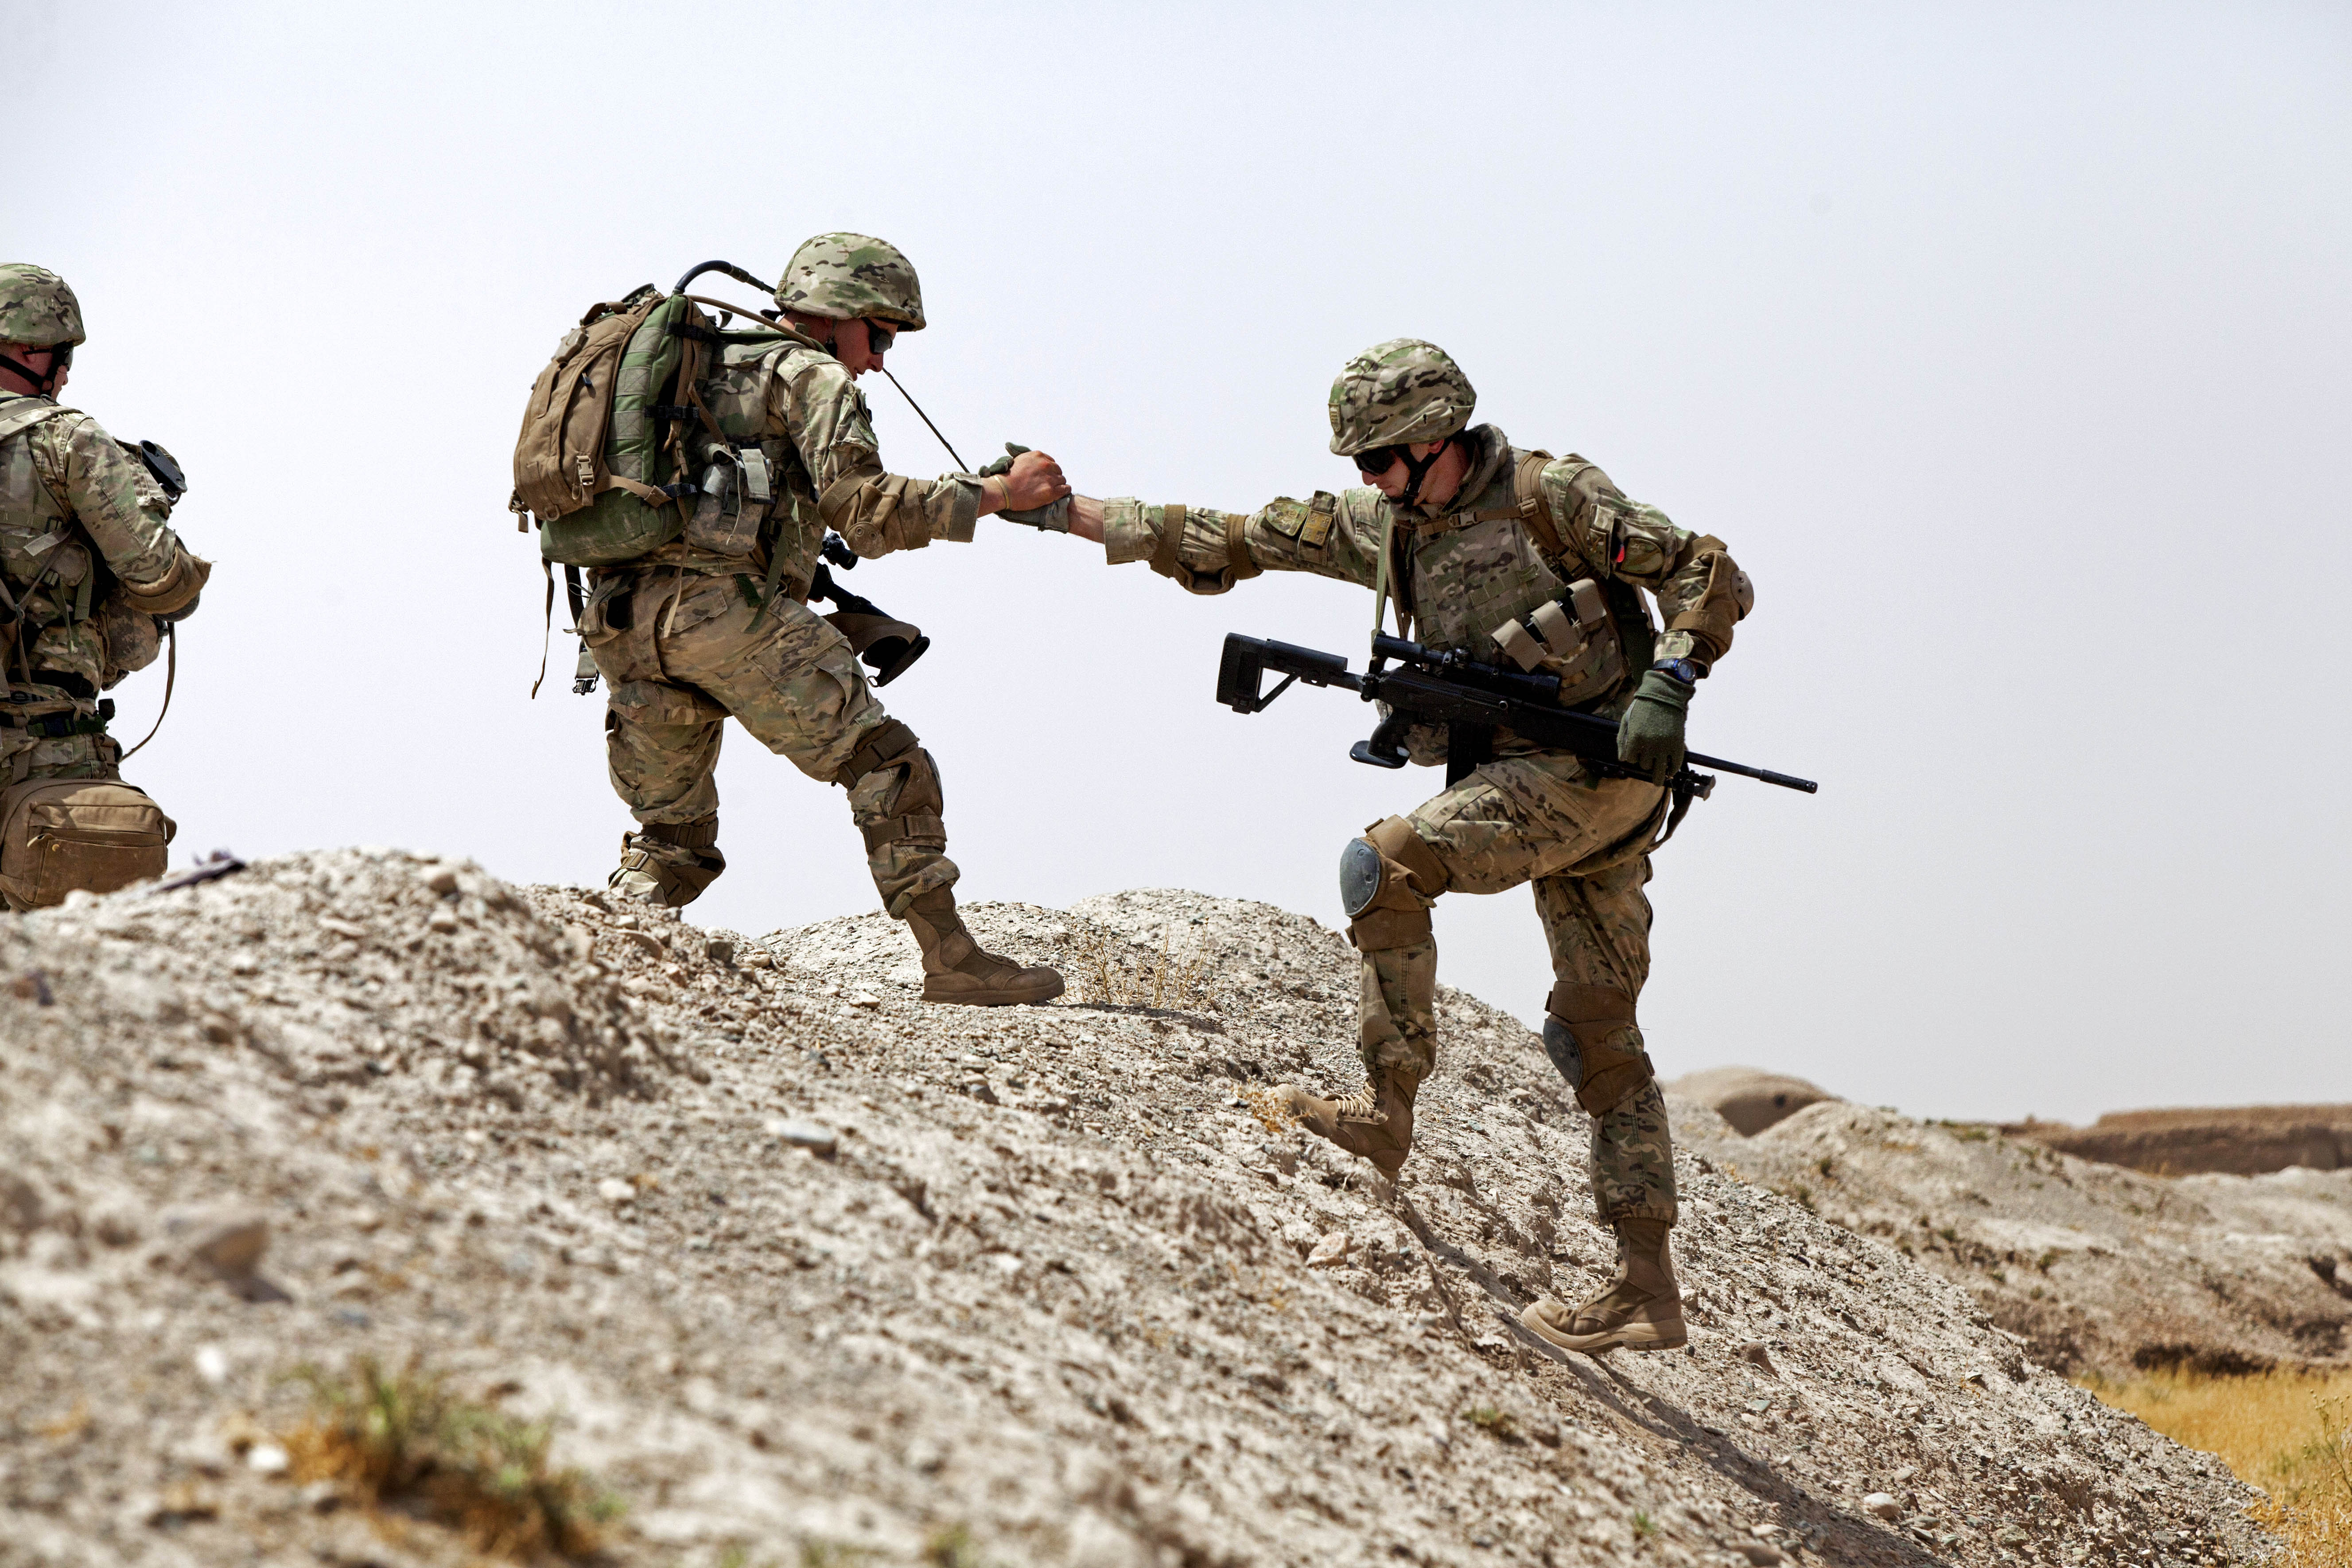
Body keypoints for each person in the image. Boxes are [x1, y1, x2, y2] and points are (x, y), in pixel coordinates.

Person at [1059, 339, 1754, 1352]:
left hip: (1603, 776)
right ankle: (1646, 1289)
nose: (1372, 480)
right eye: (1361, 465)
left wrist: (1672, 680)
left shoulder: (1554, 498)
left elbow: (1709, 570)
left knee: (1386, 863)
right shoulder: (1384, 524)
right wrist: (1064, 513)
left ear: (1436, 438)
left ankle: (1386, 1123)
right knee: (1595, 1029)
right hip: (1520, 778)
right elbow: (1234, 536)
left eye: (1382, 460)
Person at [579, 233, 1066, 1006]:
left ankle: (589, 969)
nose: (878, 360)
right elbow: (868, 513)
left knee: (671, 842)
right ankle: (953, 962)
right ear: (837, 314)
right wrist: (1003, 494)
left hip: (619, 621)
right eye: (880, 336)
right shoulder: (807, 374)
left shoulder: (691, 364)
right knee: (887, 764)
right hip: (720, 617)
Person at [0, 264, 205, 904]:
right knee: (67, 961)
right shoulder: (67, 442)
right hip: (45, 756)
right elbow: (164, 580)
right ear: (28, 349)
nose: (65, 374)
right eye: (61, 355)